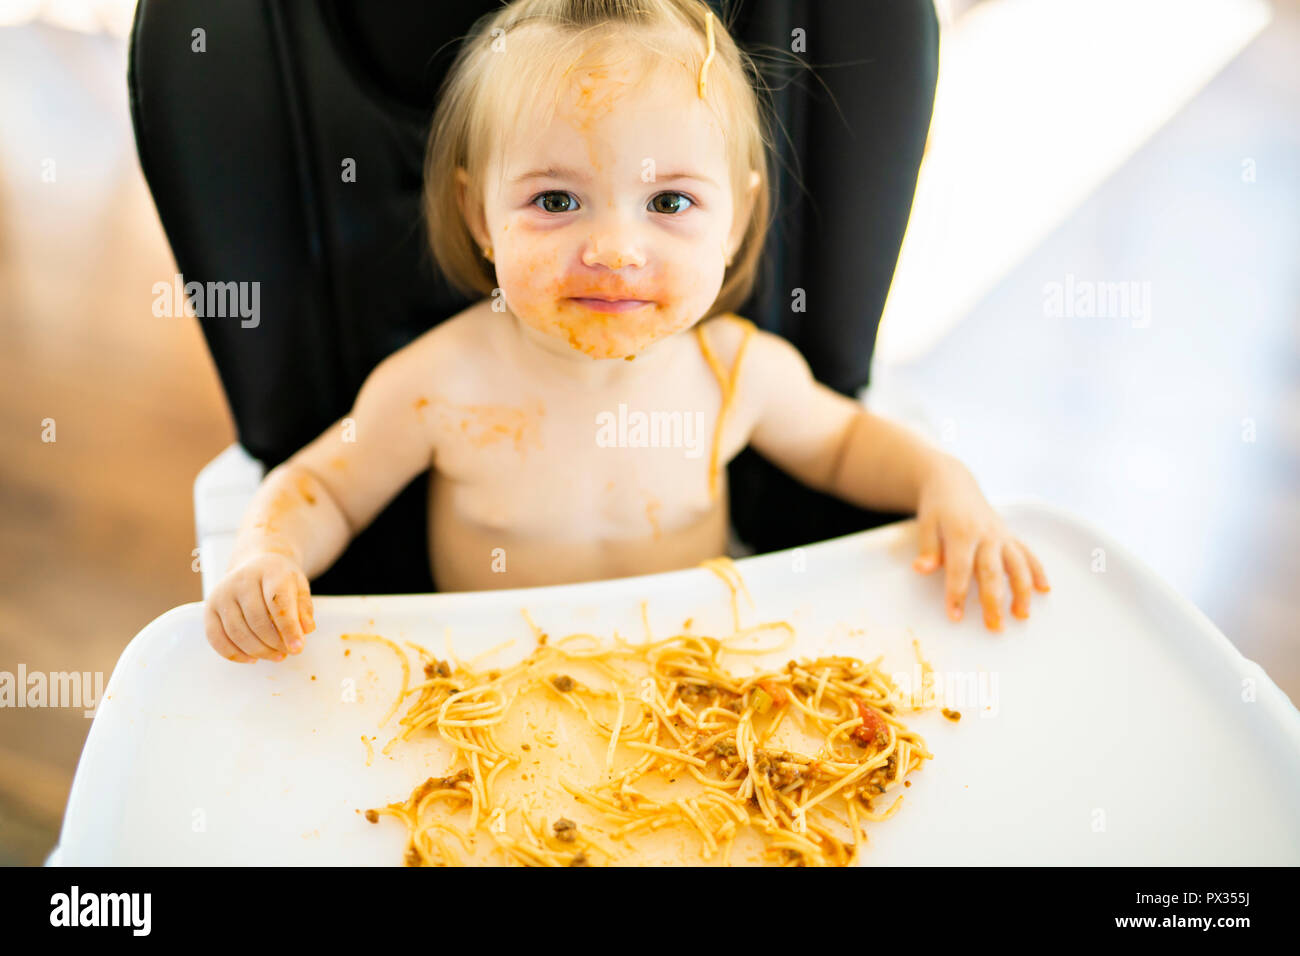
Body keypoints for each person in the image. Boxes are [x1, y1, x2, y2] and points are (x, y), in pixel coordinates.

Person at [203, 0, 1048, 663]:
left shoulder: (735, 375)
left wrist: (944, 485)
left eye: (670, 202)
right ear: (479, 214)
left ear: (737, 216)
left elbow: (845, 446)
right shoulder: (439, 385)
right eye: (556, 200)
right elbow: (322, 486)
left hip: (697, 681)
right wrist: (266, 555)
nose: (612, 250)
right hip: (483, 689)